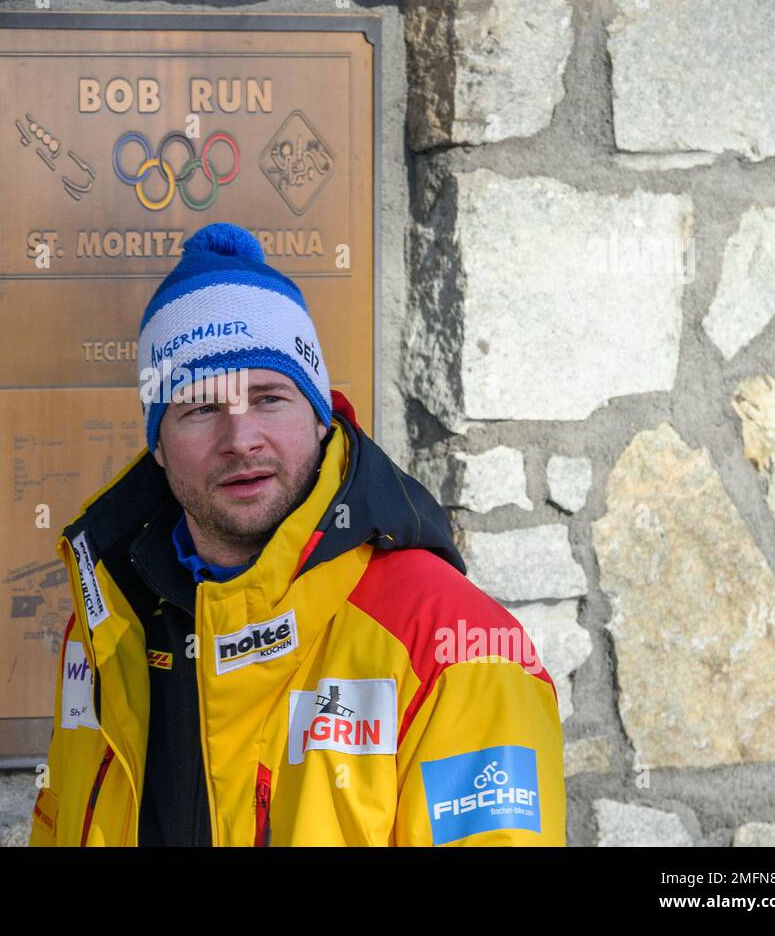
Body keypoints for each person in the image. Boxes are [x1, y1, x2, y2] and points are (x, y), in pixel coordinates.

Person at [28, 222, 565, 846]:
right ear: (158, 446)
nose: (240, 439)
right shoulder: (107, 621)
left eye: (269, 397)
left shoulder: (456, 648)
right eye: (201, 407)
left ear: (319, 416)